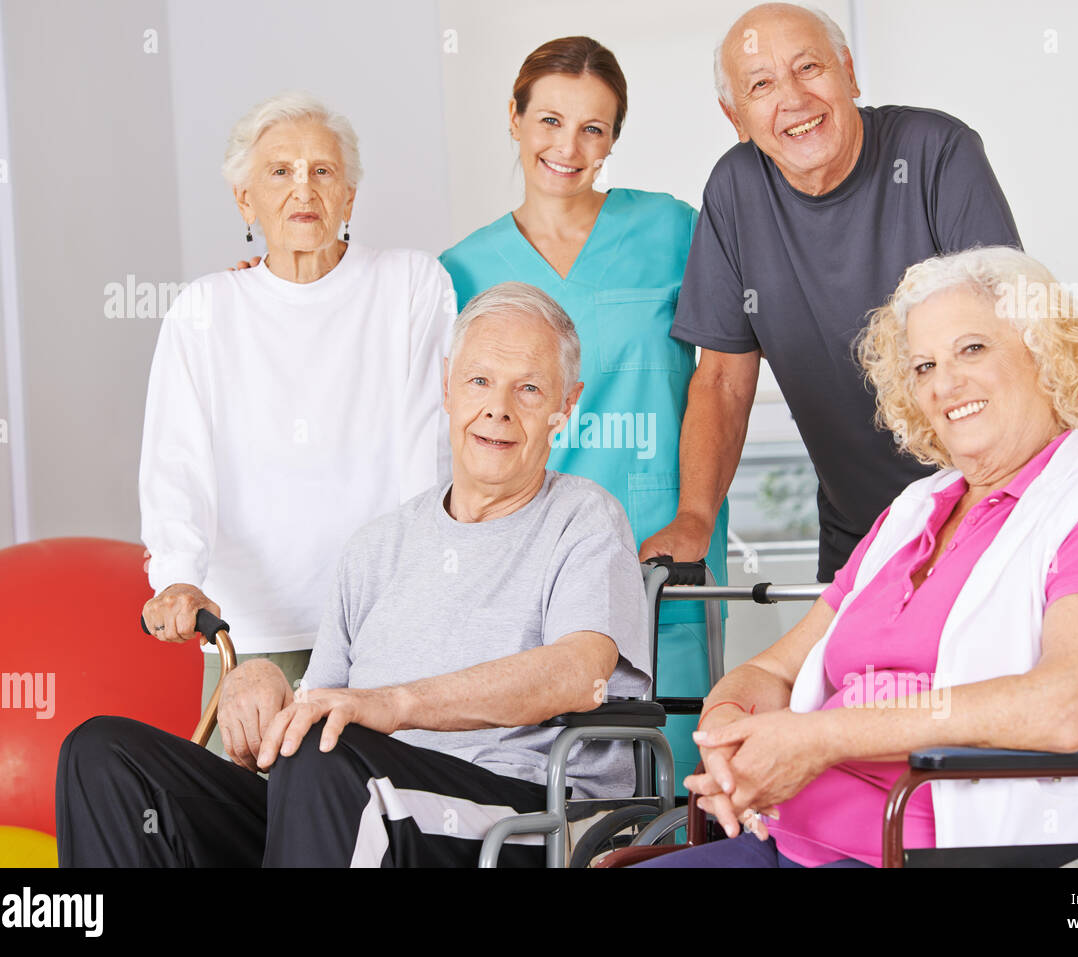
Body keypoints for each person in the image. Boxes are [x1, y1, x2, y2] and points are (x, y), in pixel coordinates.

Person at [57, 282, 651, 867]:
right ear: (447, 386)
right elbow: (317, 710)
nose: (497, 408)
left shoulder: (584, 517)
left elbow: (580, 673)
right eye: (478, 381)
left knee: (327, 758)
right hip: (346, 799)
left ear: (565, 405)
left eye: (528, 389)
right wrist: (263, 687)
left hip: (519, 813)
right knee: (104, 754)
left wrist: (394, 705)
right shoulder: (378, 545)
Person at [638, 246, 1078, 867]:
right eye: (923, 366)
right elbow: (775, 673)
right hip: (785, 839)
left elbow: (1068, 705)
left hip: (932, 850)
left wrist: (821, 738)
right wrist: (729, 731)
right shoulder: (912, 509)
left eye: (972, 349)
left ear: (1043, 350)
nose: (945, 383)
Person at [643, 2, 1022, 582]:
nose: (792, 99)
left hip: (986, 507)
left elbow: (998, 342)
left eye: (809, 68)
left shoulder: (937, 151)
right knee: (836, 677)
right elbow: (722, 377)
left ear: (847, 71)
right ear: (735, 115)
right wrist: (695, 516)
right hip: (860, 530)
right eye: (761, 84)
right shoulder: (736, 188)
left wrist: (971, 514)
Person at [438, 36, 729, 790]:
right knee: (546, 774)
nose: (569, 147)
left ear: (613, 140)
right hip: (530, 561)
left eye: (594, 129)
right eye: (550, 121)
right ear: (514, 118)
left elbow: (736, 358)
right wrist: (271, 277)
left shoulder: (674, 231)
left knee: (679, 774)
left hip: (664, 548)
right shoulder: (460, 270)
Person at [137, 92, 453, 758]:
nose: (302, 188)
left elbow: (428, 451)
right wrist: (176, 572)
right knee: (244, 827)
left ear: (350, 197)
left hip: (381, 628)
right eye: (279, 172)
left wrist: (421, 593)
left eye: (323, 171)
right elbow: (177, 463)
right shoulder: (204, 310)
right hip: (254, 632)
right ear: (245, 201)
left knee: (373, 830)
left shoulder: (410, 284)